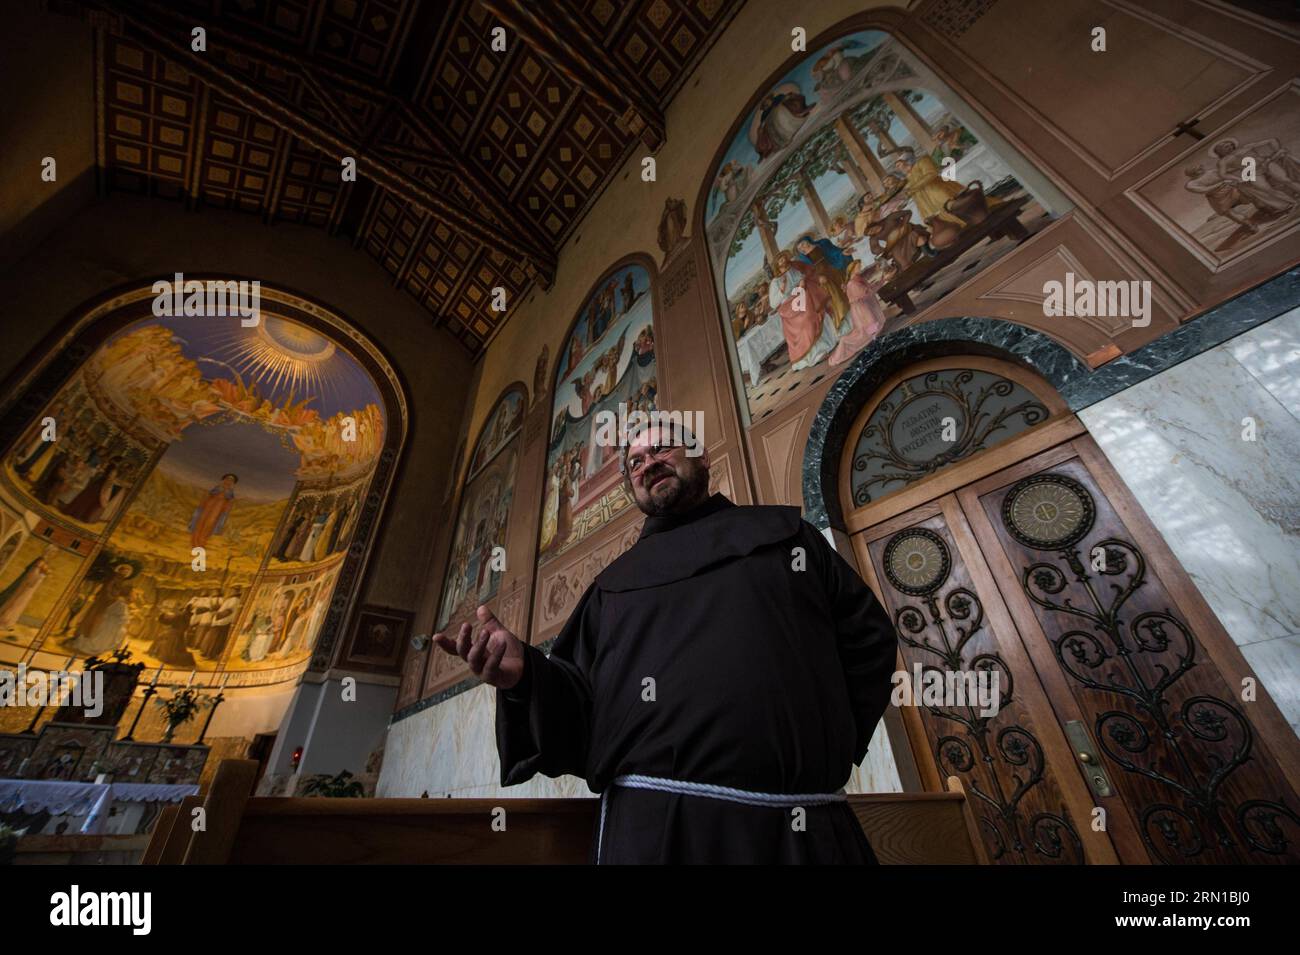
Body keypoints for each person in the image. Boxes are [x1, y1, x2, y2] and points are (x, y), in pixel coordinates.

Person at [433, 420, 898, 864]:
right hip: (658, 836)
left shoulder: (787, 538)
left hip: (804, 828)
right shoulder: (610, 589)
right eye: (635, 462)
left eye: (661, 449)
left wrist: (820, 742)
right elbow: (580, 707)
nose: (648, 463)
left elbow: (868, 642)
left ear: (702, 457)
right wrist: (527, 677)